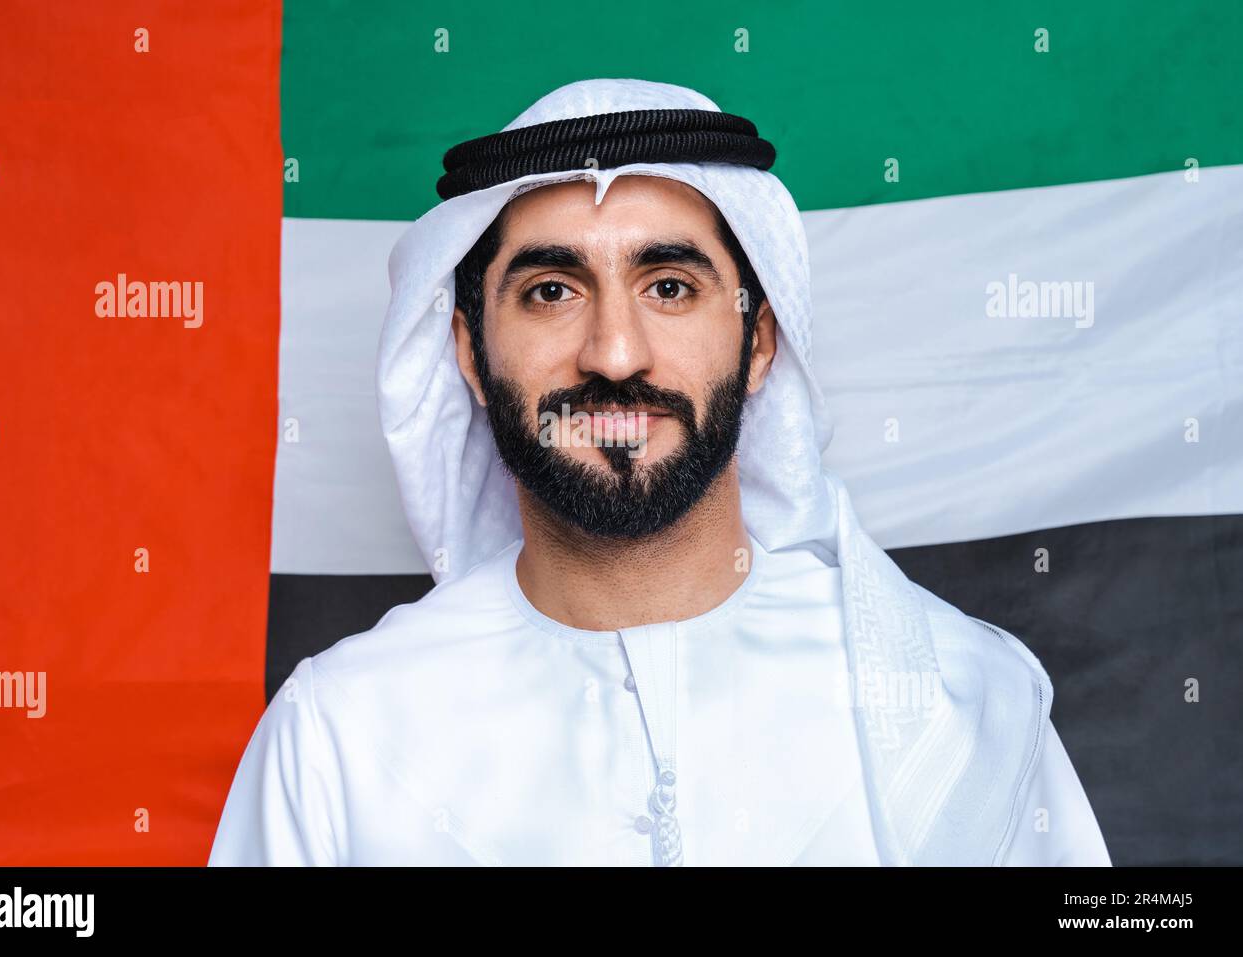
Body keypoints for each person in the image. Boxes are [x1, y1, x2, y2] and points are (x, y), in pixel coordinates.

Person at [208, 78, 1112, 866]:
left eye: (670, 286)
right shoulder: (339, 736)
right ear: (470, 355)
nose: (614, 352)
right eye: (551, 291)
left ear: (759, 340)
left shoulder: (963, 702)